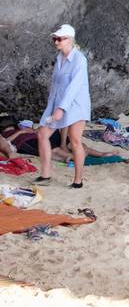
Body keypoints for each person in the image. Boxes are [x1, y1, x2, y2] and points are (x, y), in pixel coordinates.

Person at [36, 24, 91, 188]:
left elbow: (74, 87)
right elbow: (55, 86)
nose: (56, 42)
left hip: (77, 105)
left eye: (59, 39)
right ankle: (45, 175)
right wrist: (52, 108)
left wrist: (61, 109)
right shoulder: (59, 58)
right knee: (42, 134)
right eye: (55, 39)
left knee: (74, 140)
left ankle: (78, 180)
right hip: (59, 103)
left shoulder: (80, 59)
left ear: (69, 40)